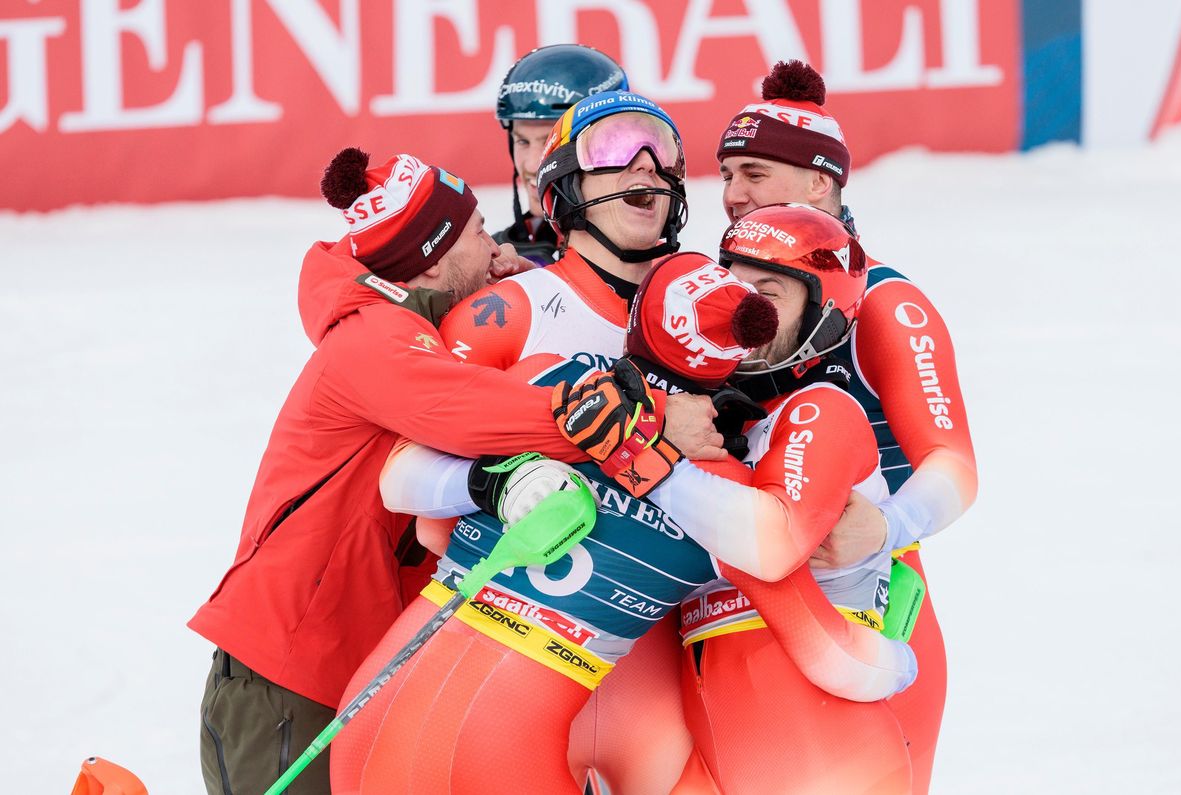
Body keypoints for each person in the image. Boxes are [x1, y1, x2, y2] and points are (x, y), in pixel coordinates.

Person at [186, 147, 713, 795]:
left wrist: (527, 288)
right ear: (434, 258)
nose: (496, 249)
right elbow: (475, 411)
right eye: (479, 233)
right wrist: (644, 414)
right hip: (291, 675)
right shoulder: (374, 337)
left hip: (347, 654)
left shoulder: (407, 325)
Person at [329, 251, 784, 794]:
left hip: (371, 719)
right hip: (511, 754)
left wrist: (495, 484)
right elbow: (818, 632)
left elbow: (415, 507)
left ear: (634, 321)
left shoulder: (547, 375)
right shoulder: (732, 484)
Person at [708, 60, 980, 793]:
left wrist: (886, 528)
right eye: (727, 174)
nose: (732, 193)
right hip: (738, 614)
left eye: (755, 173)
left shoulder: (887, 302)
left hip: (868, 596)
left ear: (819, 184)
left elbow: (955, 465)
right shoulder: (722, 294)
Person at [438, 89, 707, 793]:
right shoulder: (508, 311)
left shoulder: (712, 314)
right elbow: (405, 478)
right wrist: (507, 481)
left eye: (661, 149)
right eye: (613, 148)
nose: (644, 164)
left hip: (657, 678)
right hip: (512, 654)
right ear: (565, 187)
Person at [665, 204, 918, 794]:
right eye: (732, 287)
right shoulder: (722, 425)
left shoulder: (823, 409)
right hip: (723, 742)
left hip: (823, 753)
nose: (742, 308)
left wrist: (644, 458)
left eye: (769, 293)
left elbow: (770, 546)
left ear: (821, 319)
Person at [493, 44, 627, 264]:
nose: (533, 165)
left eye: (550, 141)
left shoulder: (648, 261)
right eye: (523, 141)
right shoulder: (495, 258)